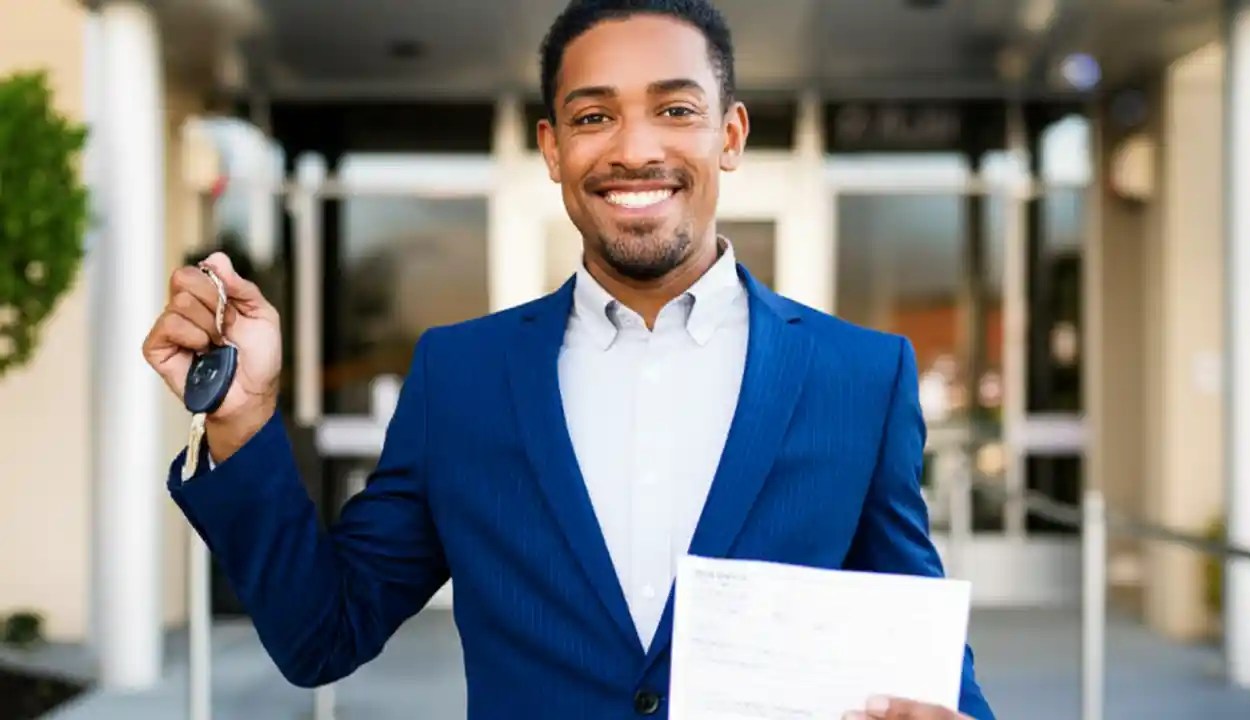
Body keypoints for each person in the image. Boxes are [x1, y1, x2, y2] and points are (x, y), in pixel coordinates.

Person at [142, 1, 995, 718]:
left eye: (675, 108)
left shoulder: (860, 377)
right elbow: (321, 633)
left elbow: (918, 649)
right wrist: (244, 421)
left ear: (729, 134)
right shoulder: (461, 379)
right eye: (594, 116)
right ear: (552, 149)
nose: (633, 149)